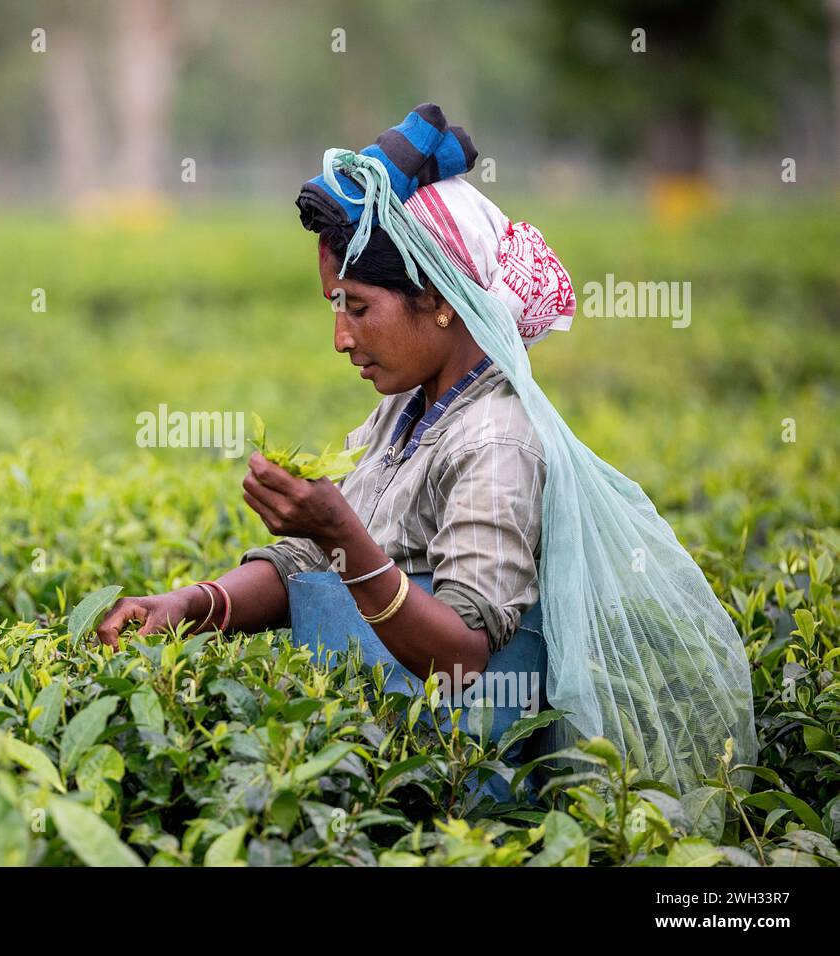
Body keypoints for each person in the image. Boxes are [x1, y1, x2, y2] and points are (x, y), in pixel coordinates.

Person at [96, 104, 756, 797]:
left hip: (456, 797)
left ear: (440, 299)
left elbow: (462, 656)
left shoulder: (496, 440)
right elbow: (306, 562)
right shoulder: (399, 414)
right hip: (374, 773)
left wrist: (339, 530)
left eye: (357, 307)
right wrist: (191, 606)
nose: (341, 339)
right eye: (334, 308)